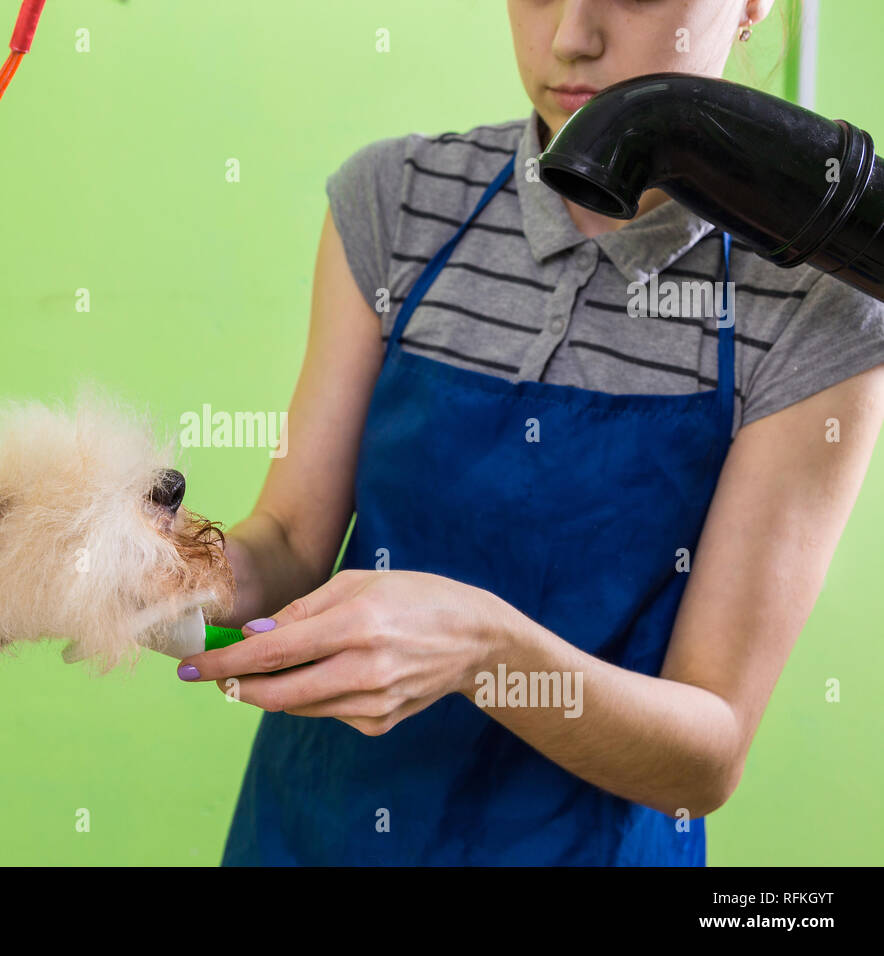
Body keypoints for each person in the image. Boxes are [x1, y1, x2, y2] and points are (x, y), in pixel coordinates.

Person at [173, 0, 884, 865]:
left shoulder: (824, 303)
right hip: (315, 832)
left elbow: (709, 751)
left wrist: (485, 649)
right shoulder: (396, 201)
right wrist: (177, 570)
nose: (569, 38)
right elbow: (287, 540)